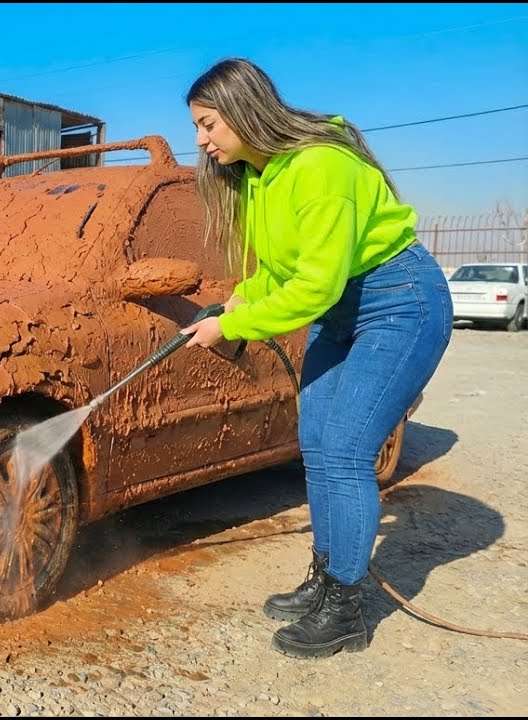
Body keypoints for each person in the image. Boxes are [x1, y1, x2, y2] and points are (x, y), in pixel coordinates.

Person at [179, 58, 453, 659]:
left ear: (244, 110)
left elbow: (315, 286)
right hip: (341, 310)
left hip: (399, 302)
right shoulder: (259, 179)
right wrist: (228, 306)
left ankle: (346, 611)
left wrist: (235, 325)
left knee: (350, 447)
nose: (199, 141)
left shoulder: (320, 165)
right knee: (320, 441)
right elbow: (277, 274)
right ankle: (328, 579)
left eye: (207, 124)